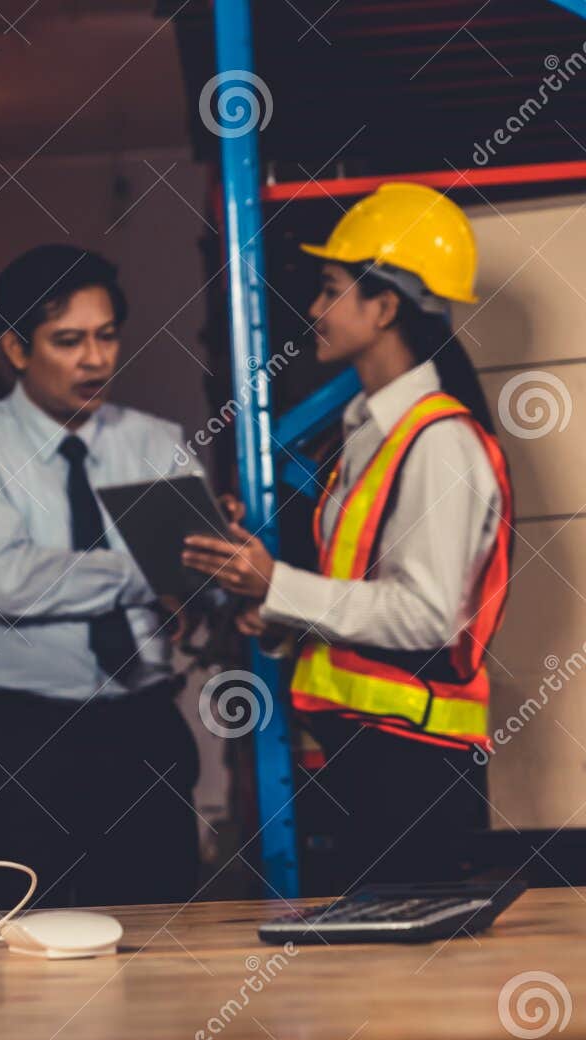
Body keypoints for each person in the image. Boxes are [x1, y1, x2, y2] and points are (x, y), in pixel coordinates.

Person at [182, 183, 512, 895]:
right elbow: (364, 595)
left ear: (385, 308)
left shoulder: (440, 442)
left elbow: (426, 616)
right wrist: (274, 612)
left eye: (332, 290)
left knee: (409, 954)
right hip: (368, 752)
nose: (314, 310)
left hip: (416, 766)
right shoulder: (371, 431)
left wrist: (277, 583)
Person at [0, 244, 205, 909]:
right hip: (16, 739)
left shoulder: (155, 441)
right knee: (18, 937)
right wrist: (152, 570)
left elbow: (197, 574)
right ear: (16, 348)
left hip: (142, 728)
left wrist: (197, 570)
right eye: (69, 340)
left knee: (162, 934)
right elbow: (10, 582)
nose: (96, 360)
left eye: (107, 336)